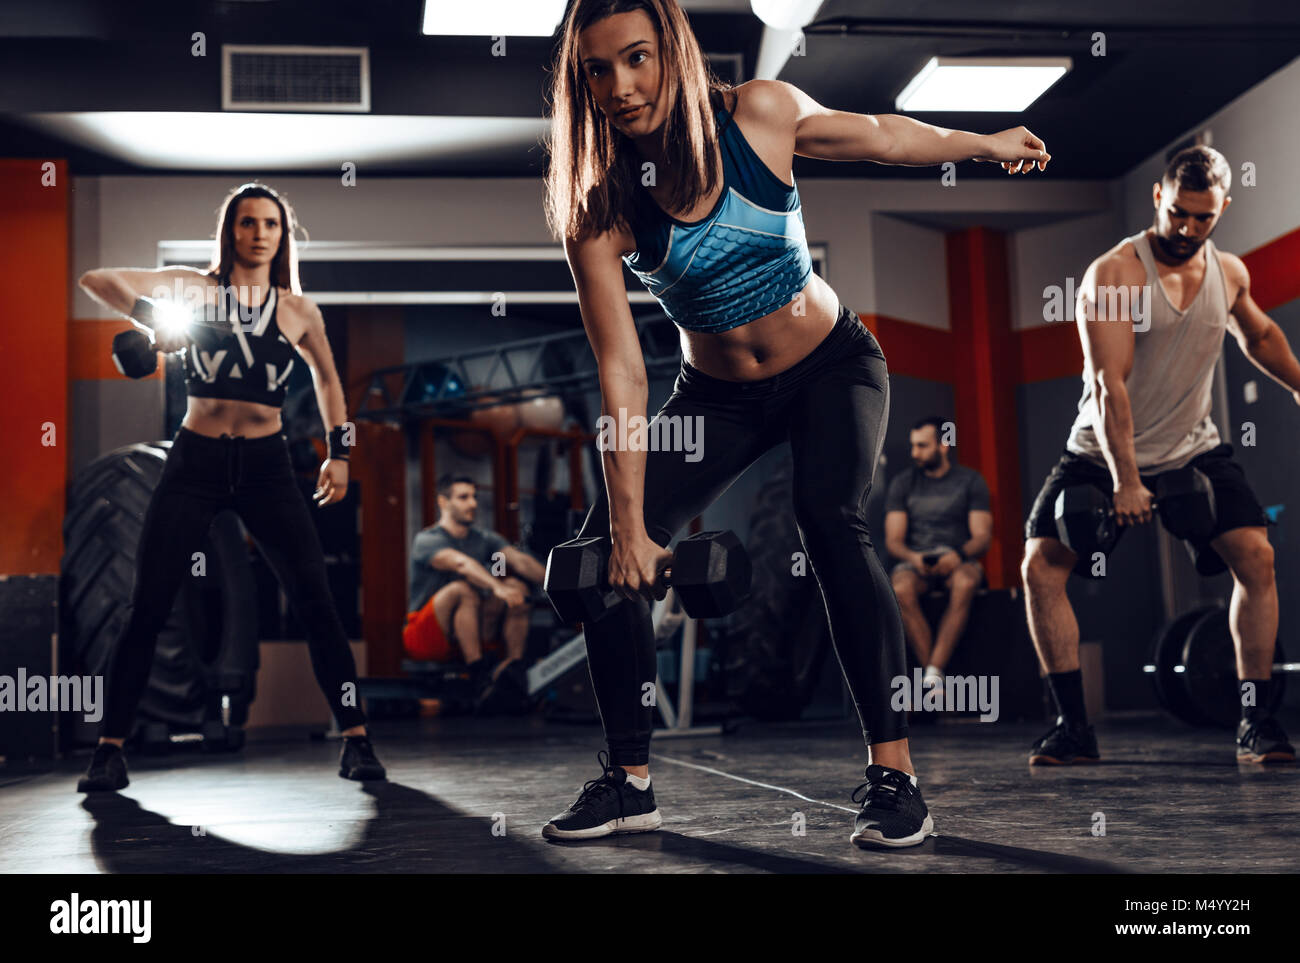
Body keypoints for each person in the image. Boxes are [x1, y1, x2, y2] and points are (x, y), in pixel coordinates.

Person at [541, 0, 1050, 847]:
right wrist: (631, 525)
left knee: (829, 517)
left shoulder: (762, 114)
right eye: (599, 70)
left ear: (671, 50)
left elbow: (884, 135)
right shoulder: (601, 208)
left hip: (832, 367)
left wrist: (982, 144)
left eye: (636, 58)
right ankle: (628, 781)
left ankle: (895, 778)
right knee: (604, 553)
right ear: (582, 83)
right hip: (715, 398)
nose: (623, 87)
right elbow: (623, 370)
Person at [76, 182, 386, 791]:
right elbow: (97, 278)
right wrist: (151, 317)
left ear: (282, 235)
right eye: (248, 222)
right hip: (195, 462)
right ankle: (109, 751)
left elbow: (329, 382)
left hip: (267, 466)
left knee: (316, 603)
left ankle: (357, 740)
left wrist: (340, 455)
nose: (260, 233)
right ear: (232, 230)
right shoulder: (195, 288)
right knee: (147, 608)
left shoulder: (297, 311)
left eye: (271, 223)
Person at [1022, 145, 1298, 766]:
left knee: (1256, 556)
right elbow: (1105, 384)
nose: (1188, 229)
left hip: (1189, 446)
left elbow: (1260, 334)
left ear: (1222, 209)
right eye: (1178, 213)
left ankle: (1256, 720)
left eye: (1203, 218)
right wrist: (1125, 481)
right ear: (1158, 199)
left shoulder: (1229, 273)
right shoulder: (1116, 274)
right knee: (1040, 569)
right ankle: (1072, 727)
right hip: (1101, 451)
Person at [404, 475, 546, 708]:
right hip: (426, 635)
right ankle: (477, 674)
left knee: (517, 588)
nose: (473, 504)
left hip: (472, 629)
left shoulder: (484, 539)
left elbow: (520, 561)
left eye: (474, 497)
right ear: (443, 502)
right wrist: (497, 588)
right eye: (463, 497)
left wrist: (561, 584)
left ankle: (511, 671)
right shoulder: (427, 540)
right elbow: (461, 564)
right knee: (463, 589)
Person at [884, 416, 992, 689]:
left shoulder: (970, 481)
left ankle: (933, 672)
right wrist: (914, 559)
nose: (914, 453)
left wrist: (955, 555)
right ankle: (936, 679)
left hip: (958, 558)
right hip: (915, 561)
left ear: (944, 446)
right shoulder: (903, 483)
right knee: (899, 589)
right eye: (913, 446)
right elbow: (893, 541)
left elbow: (982, 538)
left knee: (966, 582)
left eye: (922, 446)